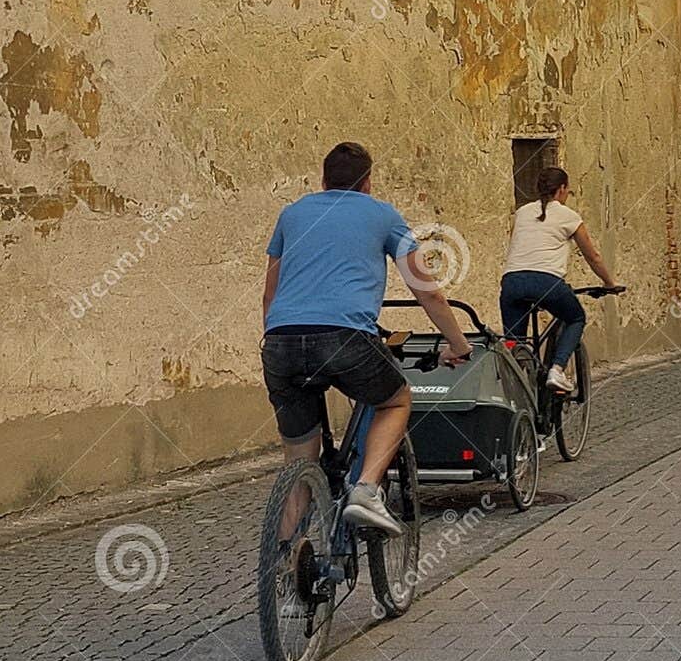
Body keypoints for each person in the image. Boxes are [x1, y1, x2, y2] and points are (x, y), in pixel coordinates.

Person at [261, 141, 472, 535]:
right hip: (345, 340)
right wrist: (458, 344)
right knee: (395, 399)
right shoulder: (383, 215)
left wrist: (276, 343)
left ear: (322, 180)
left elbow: (269, 294)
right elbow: (426, 291)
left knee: (299, 462)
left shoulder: (291, 214)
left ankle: (287, 572)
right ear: (368, 183)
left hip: (280, 342)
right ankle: (366, 492)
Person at [500, 167, 617, 391]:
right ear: (562, 189)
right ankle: (557, 369)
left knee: (514, 342)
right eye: (567, 190)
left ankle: (515, 388)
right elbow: (593, 256)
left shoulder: (523, 212)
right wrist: (609, 284)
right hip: (547, 283)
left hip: (511, 282)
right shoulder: (569, 216)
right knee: (575, 318)